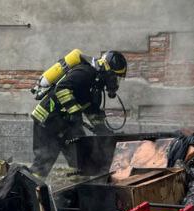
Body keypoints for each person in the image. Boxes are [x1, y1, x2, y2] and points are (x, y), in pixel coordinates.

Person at [29, 49, 128, 178]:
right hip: (48, 121)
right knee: (43, 163)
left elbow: (91, 109)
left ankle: (78, 194)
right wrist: (75, 113)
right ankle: (31, 193)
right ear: (108, 72)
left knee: (81, 161)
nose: (115, 83)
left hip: (67, 125)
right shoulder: (85, 72)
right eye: (116, 78)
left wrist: (103, 131)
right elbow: (62, 89)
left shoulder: (96, 86)